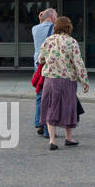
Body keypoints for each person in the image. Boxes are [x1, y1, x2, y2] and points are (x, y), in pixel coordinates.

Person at [37, 15, 90, 149]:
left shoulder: (48, 40)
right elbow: (78, 63)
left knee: (51, 107)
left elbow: (40, 59)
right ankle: (69, 138)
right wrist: (84, 81)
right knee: (68, 107)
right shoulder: (72, 42)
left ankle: (52, 141)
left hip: (50, 80)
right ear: (68, 27)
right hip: (67, 80)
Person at [31, 7, 56, 137]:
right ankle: (47, 129)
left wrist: (40, 19)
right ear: (52, 17)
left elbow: (42, 26)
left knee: (40, 94)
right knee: (50, 97)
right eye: (55, 16)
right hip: (49, 65)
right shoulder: (54, 28)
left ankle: (39, 123)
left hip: (37, 65)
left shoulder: (35, 28)